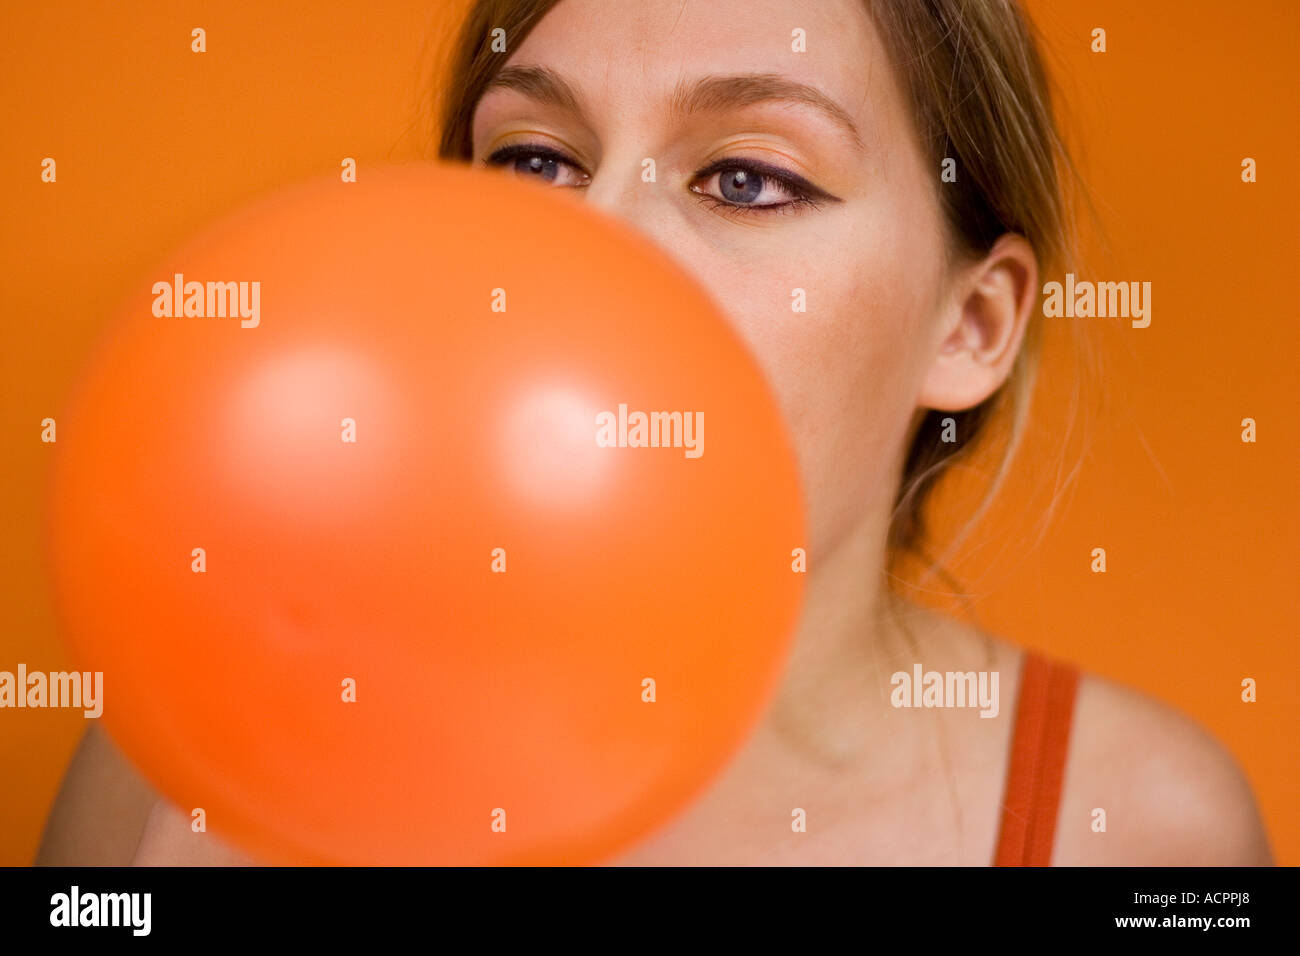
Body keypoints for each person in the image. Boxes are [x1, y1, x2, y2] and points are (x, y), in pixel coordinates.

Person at [38, 0, 1272, 866]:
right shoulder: (196, 745)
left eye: (747, 177)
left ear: (972, 324)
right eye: (533, 160)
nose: (591, 247)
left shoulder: (1138, 824)